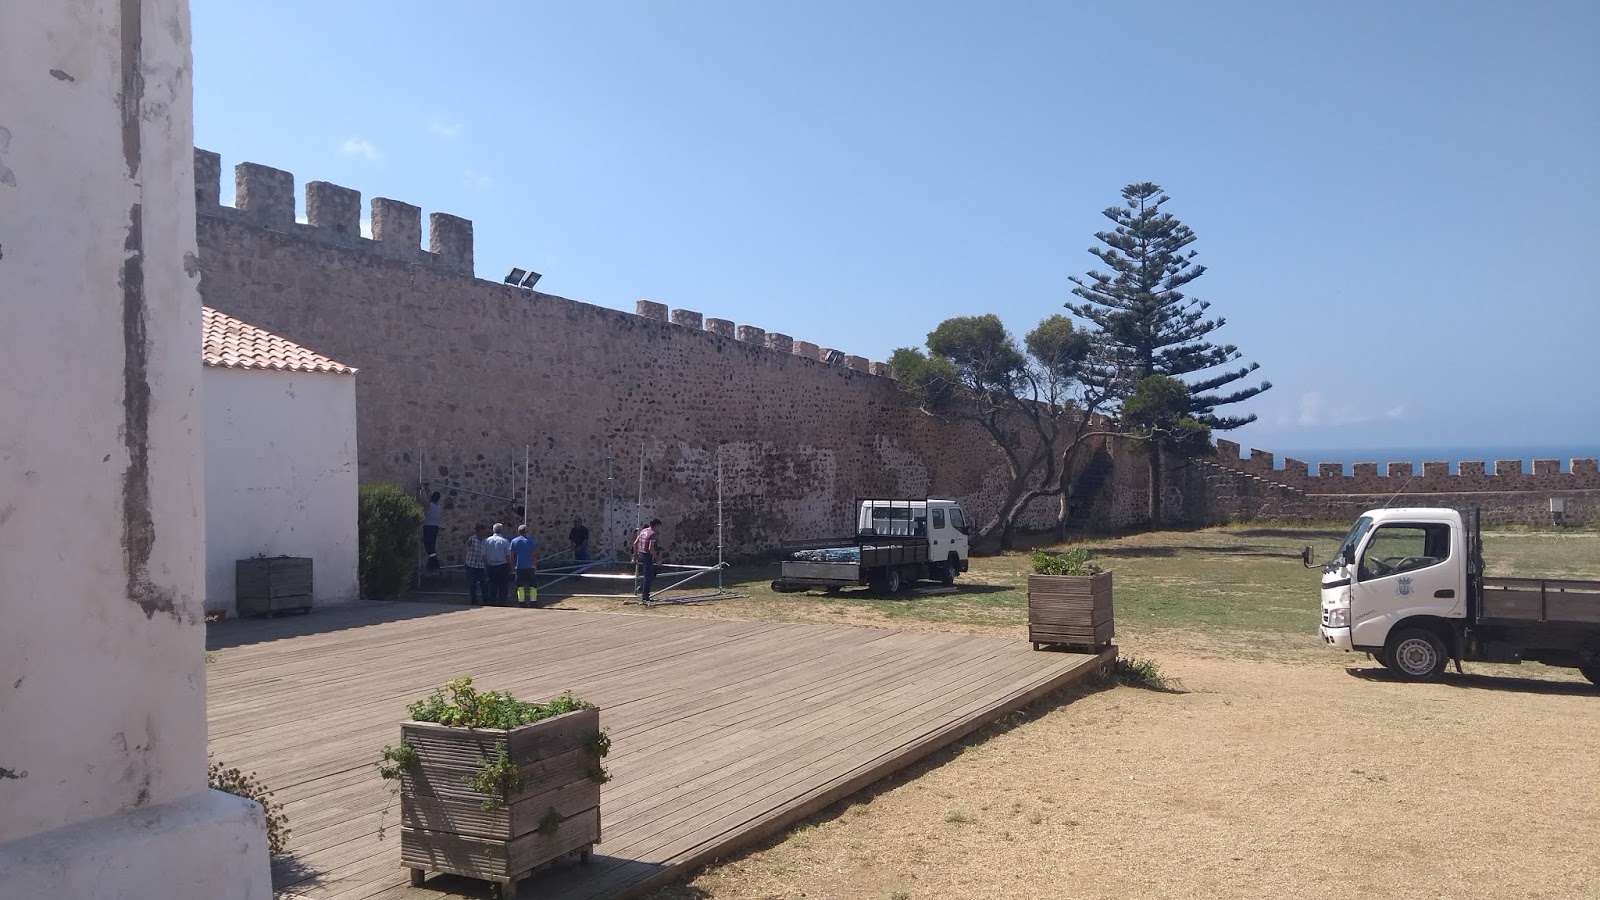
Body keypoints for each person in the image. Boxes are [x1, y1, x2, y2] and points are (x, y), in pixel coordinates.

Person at [510, 524, 540, 608]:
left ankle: (521, 601)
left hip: (519, 567)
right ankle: (533, 601)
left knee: (520, 586)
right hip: (529, 566)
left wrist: (512, 565)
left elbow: (512, 555)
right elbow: (534, 554)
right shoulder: (531, 541)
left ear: (518, 532)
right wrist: (534, 564)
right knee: (533, 585)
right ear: (527, 531)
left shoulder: (514, 541)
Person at [632, 518, 661, 604]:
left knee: (652, 572)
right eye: (658, 527)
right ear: (656, 525)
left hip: (641, 554)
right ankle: (645, 596)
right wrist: (657, 558)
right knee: (648, 576)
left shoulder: (643, 531)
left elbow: (635, 543)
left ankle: (642, 587)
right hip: (647, 555)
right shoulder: (652, 534)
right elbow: (650, 548)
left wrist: (635, 554)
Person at [482, 523, 512, 607]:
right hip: (502, 565)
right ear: (501, 530)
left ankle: (492, 601)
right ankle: (502, 602)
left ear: (493, 530)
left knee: (491, 585)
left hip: (490, 565)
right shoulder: (505, 541)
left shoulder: (486, 541)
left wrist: (485, 565)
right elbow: (508, 555)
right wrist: (509, 565)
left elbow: (484, 555)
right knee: (503, 585)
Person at [463, 524, 488, 606]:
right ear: (478, 531)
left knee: (484, 583)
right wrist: (468, 535)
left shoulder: (485, 540)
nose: (484, 532)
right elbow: (465, 542)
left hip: (481, 565)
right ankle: (474, 600)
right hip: (471, 564)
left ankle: (486, 599)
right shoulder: (472, 538)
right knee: (472, 584)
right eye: (482, 530)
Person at [422, 492, 442, 569]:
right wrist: (426, 489)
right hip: (435, 527)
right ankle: (432, 562)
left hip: (428, 527)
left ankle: (434, 561)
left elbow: (419, 499)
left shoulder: (429, 504)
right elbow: (429, 496)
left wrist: (418, 491)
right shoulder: (438, 506)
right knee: (432, 546)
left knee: (428, 546)